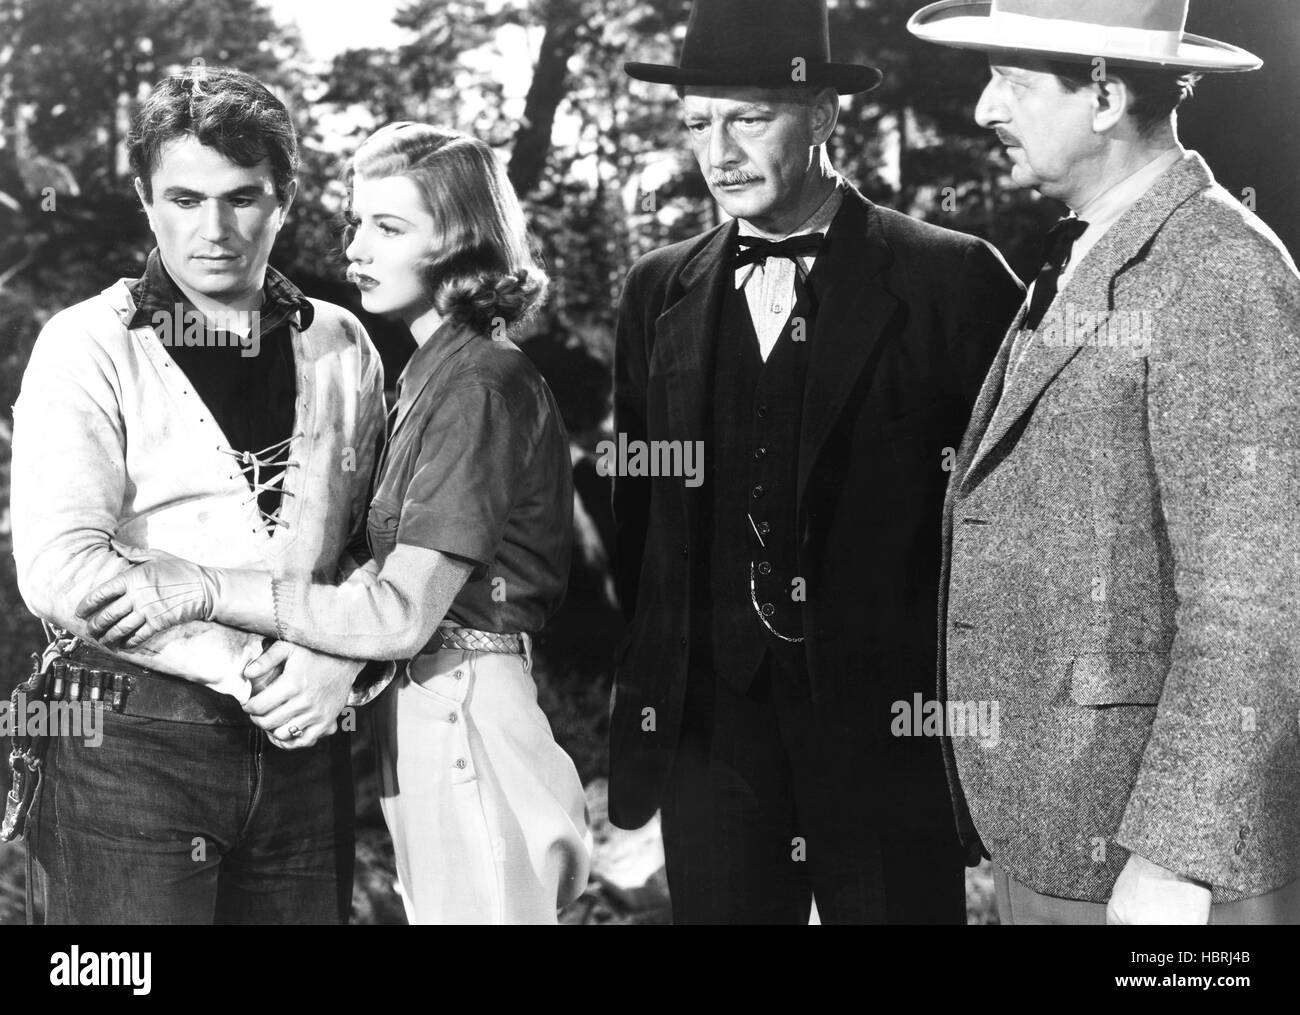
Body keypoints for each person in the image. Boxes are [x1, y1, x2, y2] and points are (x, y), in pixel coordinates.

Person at [78, 122, 593, 926]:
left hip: (466, 701)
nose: (356, 248)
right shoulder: (429, 369)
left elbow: (398, 612)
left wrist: (204, 588)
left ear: (458, 245)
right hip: (424, 702)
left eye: (389, 229)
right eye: (357, 222)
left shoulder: (479, 385)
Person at [611, 0, 1025, 924]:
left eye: (748, 119)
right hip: (713, 737)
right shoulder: (656, 288)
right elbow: (637, 525)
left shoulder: (952, 278)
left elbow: (1015, 533)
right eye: (695, 123)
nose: (716, 151)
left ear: (824, 116)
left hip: (887, 733)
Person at [908, 0, 1300, 923]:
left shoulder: (1220, 269)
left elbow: (1258, 596)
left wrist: (1174, 855)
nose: (983, 109)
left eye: (1010, 80)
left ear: (1105, 96)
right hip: (1063, 830)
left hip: (1157, 865)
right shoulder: (1092, 247)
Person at [9, 66, 386, 924]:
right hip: (129, 750)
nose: (213, 229)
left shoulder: (338, 340)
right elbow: (61, 567)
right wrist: (251, 669)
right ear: (145, 199)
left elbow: (377, 538)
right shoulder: (86, 345)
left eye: (242, 197)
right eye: (184, 198)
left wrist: (339, 659)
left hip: (306, 750)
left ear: (285, 198)